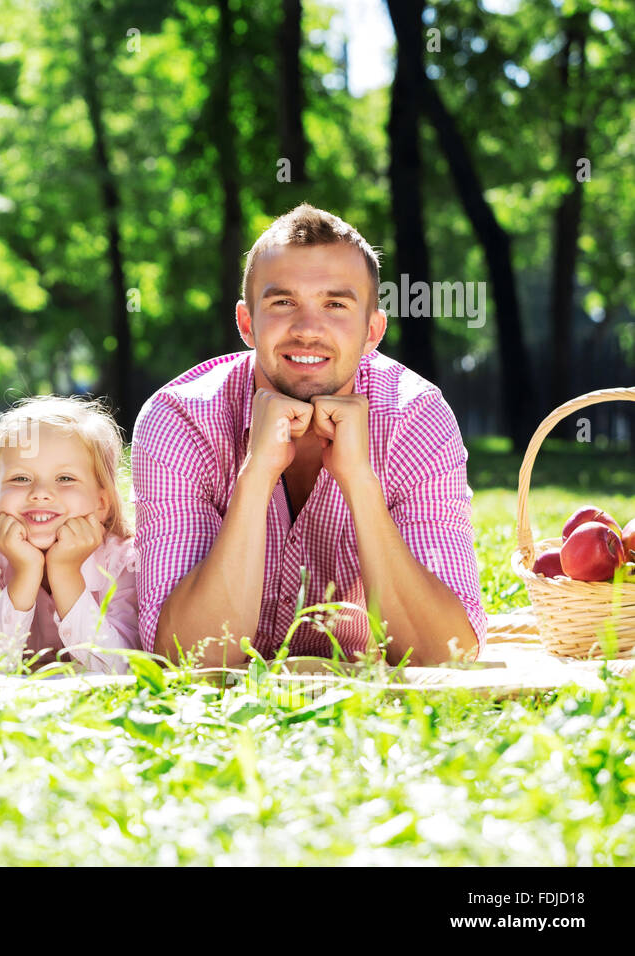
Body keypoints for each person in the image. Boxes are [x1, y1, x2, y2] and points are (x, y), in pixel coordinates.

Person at [132, 204, 487, 668]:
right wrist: (256, 476)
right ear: (246, 324)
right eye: (283, 303)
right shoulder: (180, 419)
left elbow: (448, 656)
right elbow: (189, 659)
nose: (307, 329)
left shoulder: (414, 417)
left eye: (336, 305)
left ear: (372, 331)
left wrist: (361, 482)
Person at [0, 397, 139, 674]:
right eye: (21, 478)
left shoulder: (121, 560)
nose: (40, 492)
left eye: (65, 478)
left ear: (101, 502)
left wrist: (66, 573)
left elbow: (123, 669)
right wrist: (25, 574)